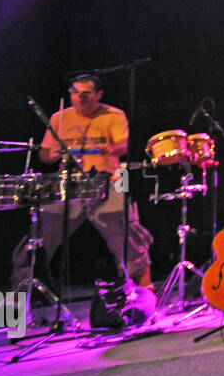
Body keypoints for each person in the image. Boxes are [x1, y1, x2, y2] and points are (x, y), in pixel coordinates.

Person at [12, 75, 153, 292]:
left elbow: (122, 147)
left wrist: (103, 149)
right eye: (75, 93)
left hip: (111, 180)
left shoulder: (114, 115)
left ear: (98, 94)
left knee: (128, 237)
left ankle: (146, 293)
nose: (80, 98)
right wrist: (52, 155)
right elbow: (44, 154)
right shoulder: (59, 117)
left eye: (86, 94)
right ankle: (18, 299)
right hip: (69, 185)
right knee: (39, 236)